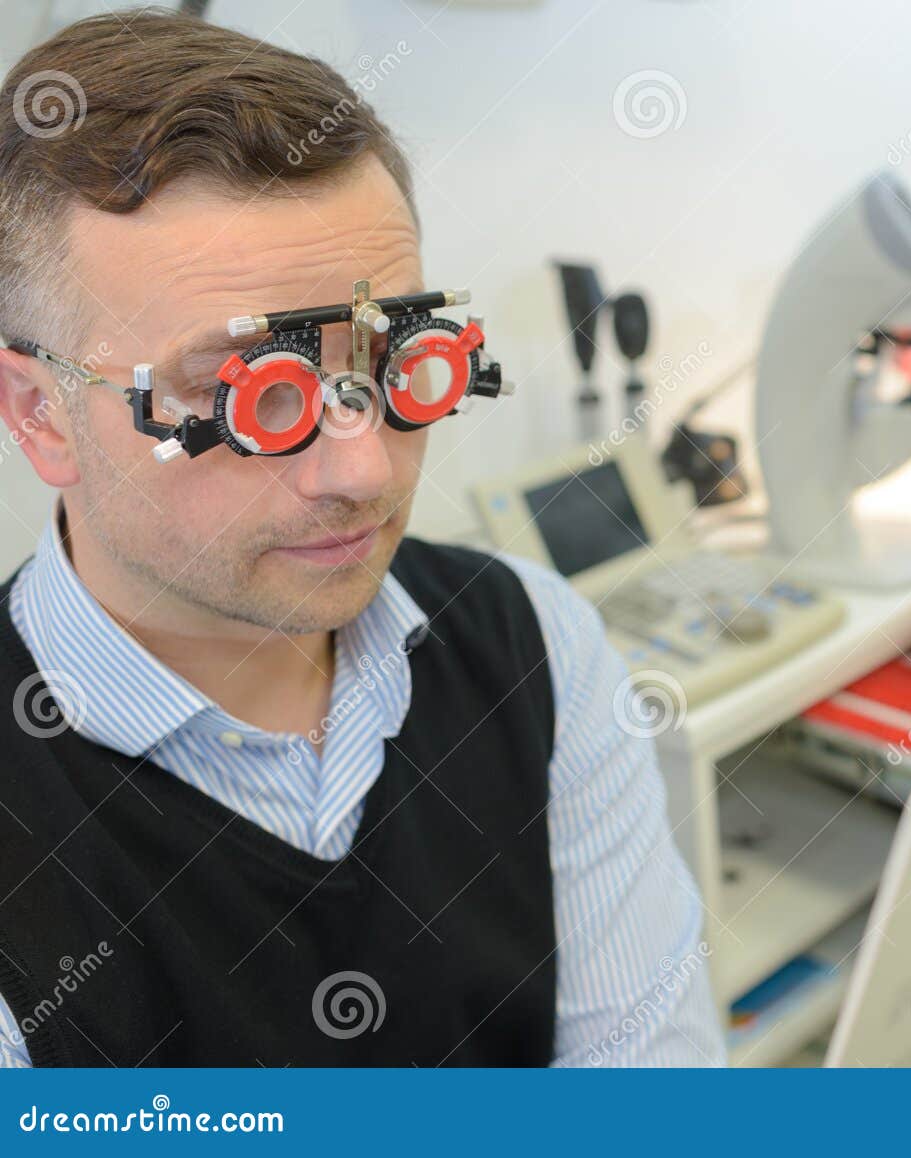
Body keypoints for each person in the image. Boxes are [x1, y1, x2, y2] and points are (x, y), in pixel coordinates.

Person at [0, 11, 723, 1067]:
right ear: (38, 415)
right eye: (253, 397)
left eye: (394, 362)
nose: (363, 473)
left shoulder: (533, 643)